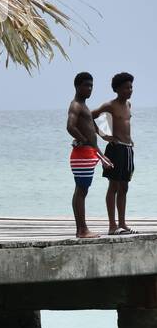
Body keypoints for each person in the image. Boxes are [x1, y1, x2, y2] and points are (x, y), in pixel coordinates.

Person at [66, 72, 113, 239]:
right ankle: (82, 230)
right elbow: (70, 126)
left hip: (88, 153)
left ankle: (81, 229)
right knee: (81, 190)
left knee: (82, 190)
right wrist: (82, 139)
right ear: (77, 86)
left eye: (91, 85)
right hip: (82, 154)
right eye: (86, 85)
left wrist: (100, 155)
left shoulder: (85, 106)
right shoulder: (76, 105)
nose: (90, 88)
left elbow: (94, 133)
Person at [93, 71, 136, 235]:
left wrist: (130, 140)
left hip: (127, 150)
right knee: (114, 186)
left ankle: (122, 223)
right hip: (115, 149)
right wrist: (104, 135)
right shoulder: (109, 105)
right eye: (126, 88)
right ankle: (112, 225)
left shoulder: (128, 105)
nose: (130, 90)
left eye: (131, 87)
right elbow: (90, 116)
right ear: (117, 89)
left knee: (124, 187)